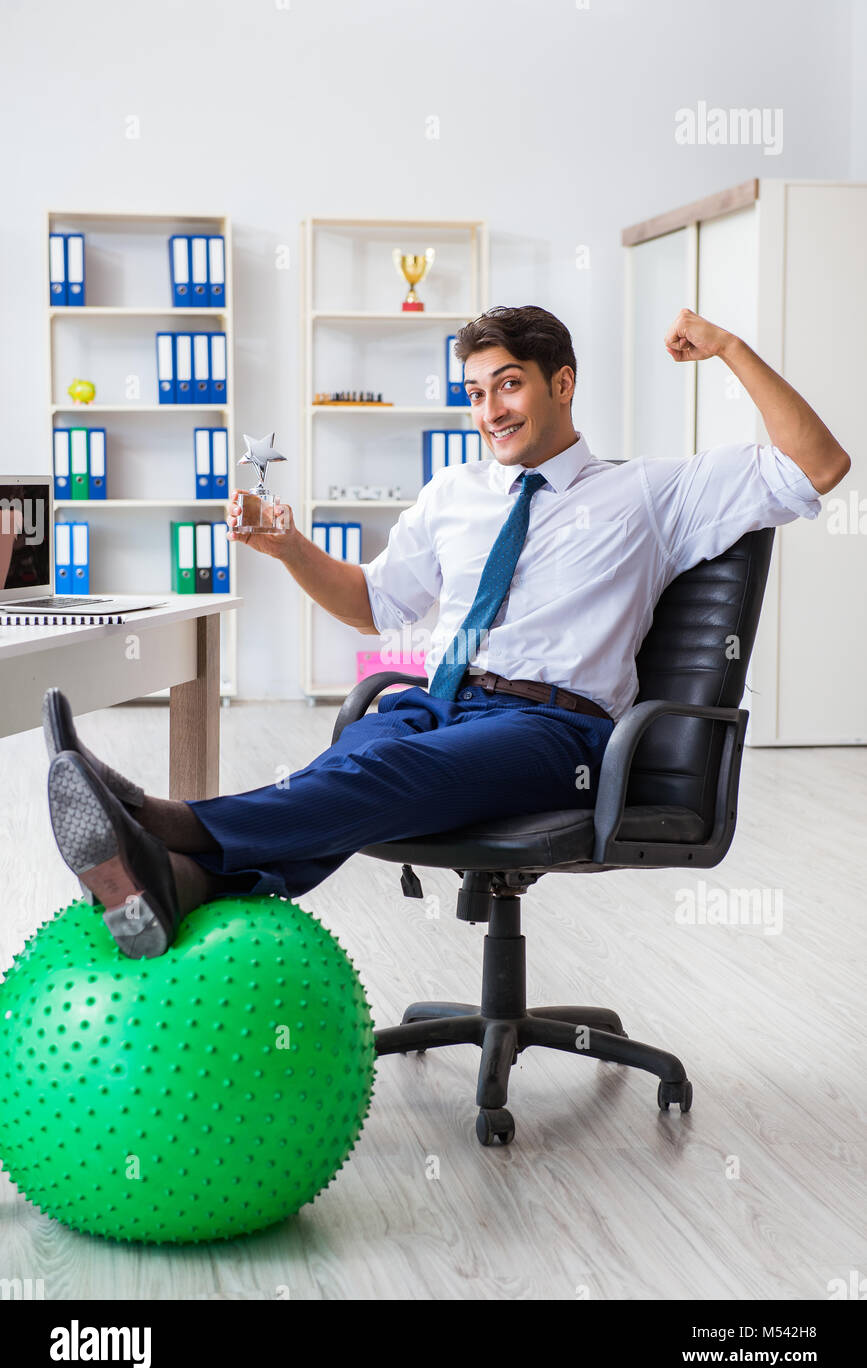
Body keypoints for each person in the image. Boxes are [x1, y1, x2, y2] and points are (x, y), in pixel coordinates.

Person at [44, 304, 849, 959]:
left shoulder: (649, 494)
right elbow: (374, 604)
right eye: (473, 392)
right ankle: (186, 881)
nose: (489, 409)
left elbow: (818, 463)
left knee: (376, 773)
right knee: (360, 756)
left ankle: (164, 819)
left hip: (553, 728)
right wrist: (289, 547)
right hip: (436, 702)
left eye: (508, 385)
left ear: (561, 383)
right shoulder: (452, 493)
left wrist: (730, 347)